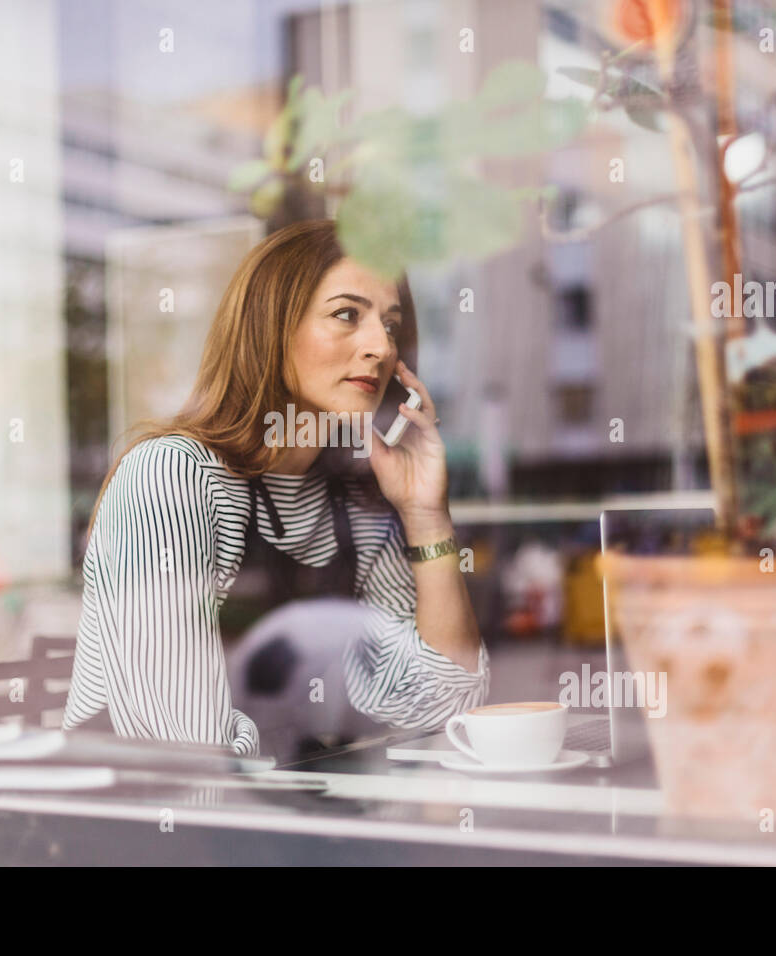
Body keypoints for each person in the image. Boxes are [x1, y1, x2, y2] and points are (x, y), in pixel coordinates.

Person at [62, 219, 489, 756]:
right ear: (271, 328)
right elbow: (183, 748)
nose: (381, 346)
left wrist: (426, 515)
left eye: (392, 325)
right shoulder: (172, 477)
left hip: (293, 822)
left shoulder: (356, 503)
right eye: (346, 315)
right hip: (160, 829)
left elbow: (447, 709)